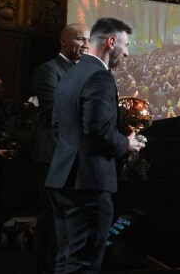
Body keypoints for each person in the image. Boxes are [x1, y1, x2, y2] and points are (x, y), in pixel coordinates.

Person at [45, 17, 145, 273]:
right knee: (84, 265)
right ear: (111, 42)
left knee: (66, 260)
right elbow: (97, 130)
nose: (127, 52)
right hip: (89, 184)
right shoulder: (99, 76)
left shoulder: (70, 73)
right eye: (126, 45)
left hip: (61, 180)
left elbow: (57, 126)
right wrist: (126, 144)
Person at [32, 22, 89, 274]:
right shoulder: (48, 70)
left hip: (76, 155)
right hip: (53, 154)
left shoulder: (86, 73)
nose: (86, 45)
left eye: (88, 40)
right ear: (63, 41)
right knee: (50, 220)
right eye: (80, 40)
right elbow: (55, 110)